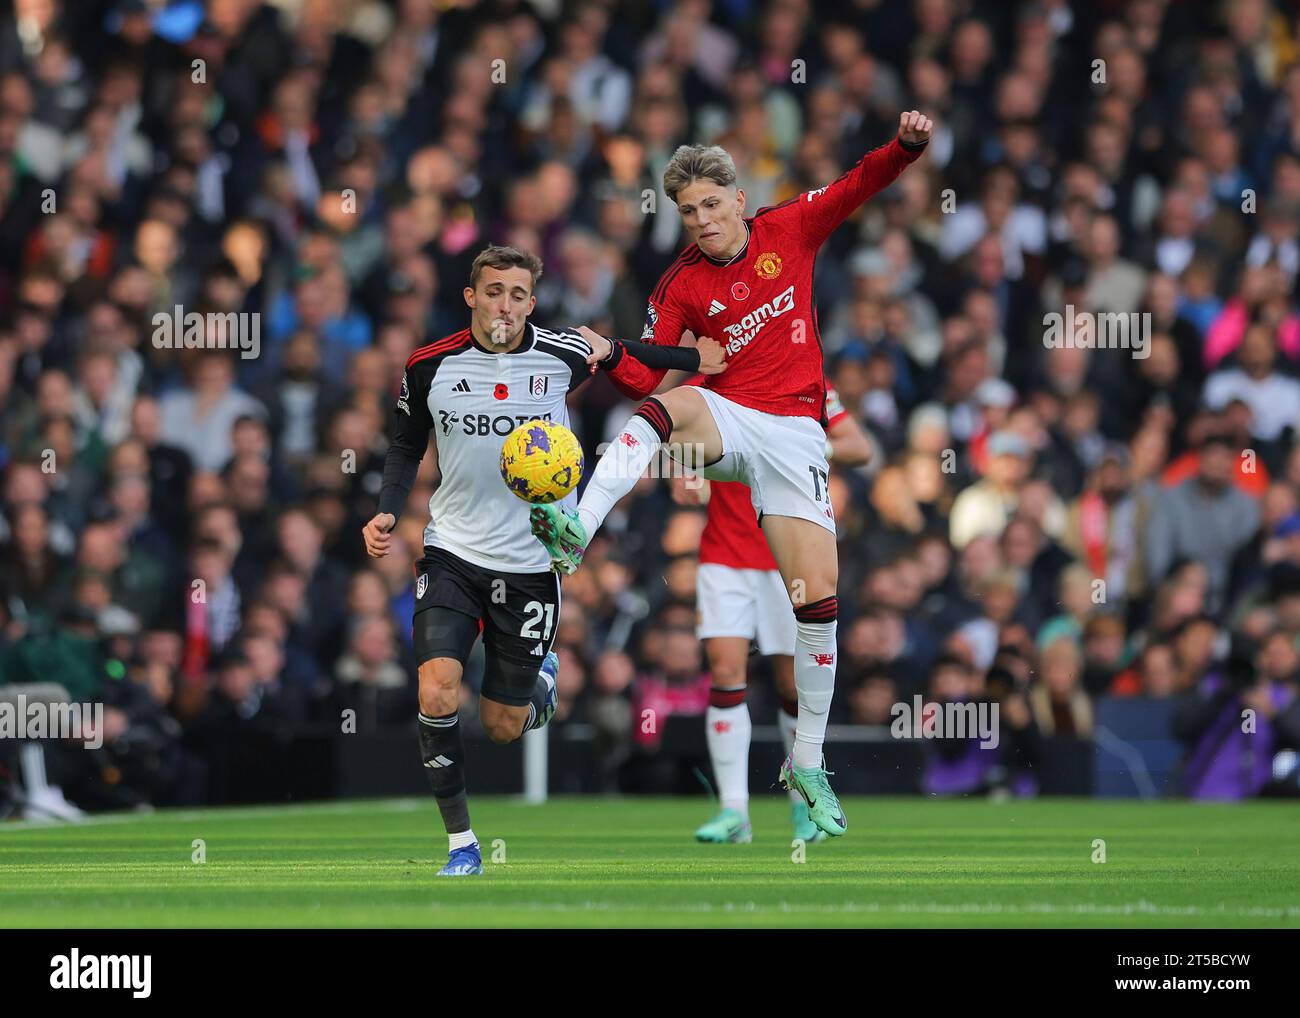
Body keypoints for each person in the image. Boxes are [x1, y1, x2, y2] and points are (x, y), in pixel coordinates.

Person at [530, 111, 933, 836]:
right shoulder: (680, 283)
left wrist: (903, 148)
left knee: (819, 611)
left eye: (712, 205)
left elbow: (857, 183)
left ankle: (806, 765)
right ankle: (577, 526)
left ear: (739, 200)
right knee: (670, 407)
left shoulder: (791, 228)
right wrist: (607, 352)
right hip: (733, 419)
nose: (702, 221)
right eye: (688, 212)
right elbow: (649, 370)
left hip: (797, 437)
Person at [361, 245, 713, 876]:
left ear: (532, 301)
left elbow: (625, 353)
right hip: (452, 552)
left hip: (531, 562)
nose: (505, 305)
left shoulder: (560, 355)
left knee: (501, 725)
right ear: (471, 296)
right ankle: (461, 844)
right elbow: (407, 441)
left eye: (518, 294)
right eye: (493, 291)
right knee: (437, 689)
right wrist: (389, 508)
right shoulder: (429, 365)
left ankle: (541, 681)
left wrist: (699, 358)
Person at [680, 380, 871, 844]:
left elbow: (859, 447)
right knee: (726, 672)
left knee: (790, 681)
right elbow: (677, 436)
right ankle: (734, 812)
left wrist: (801, 442)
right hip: (725, 554)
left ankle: (802, 805)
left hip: (785, 555)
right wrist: (686, 465)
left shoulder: (805, 383)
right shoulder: (712, 381)